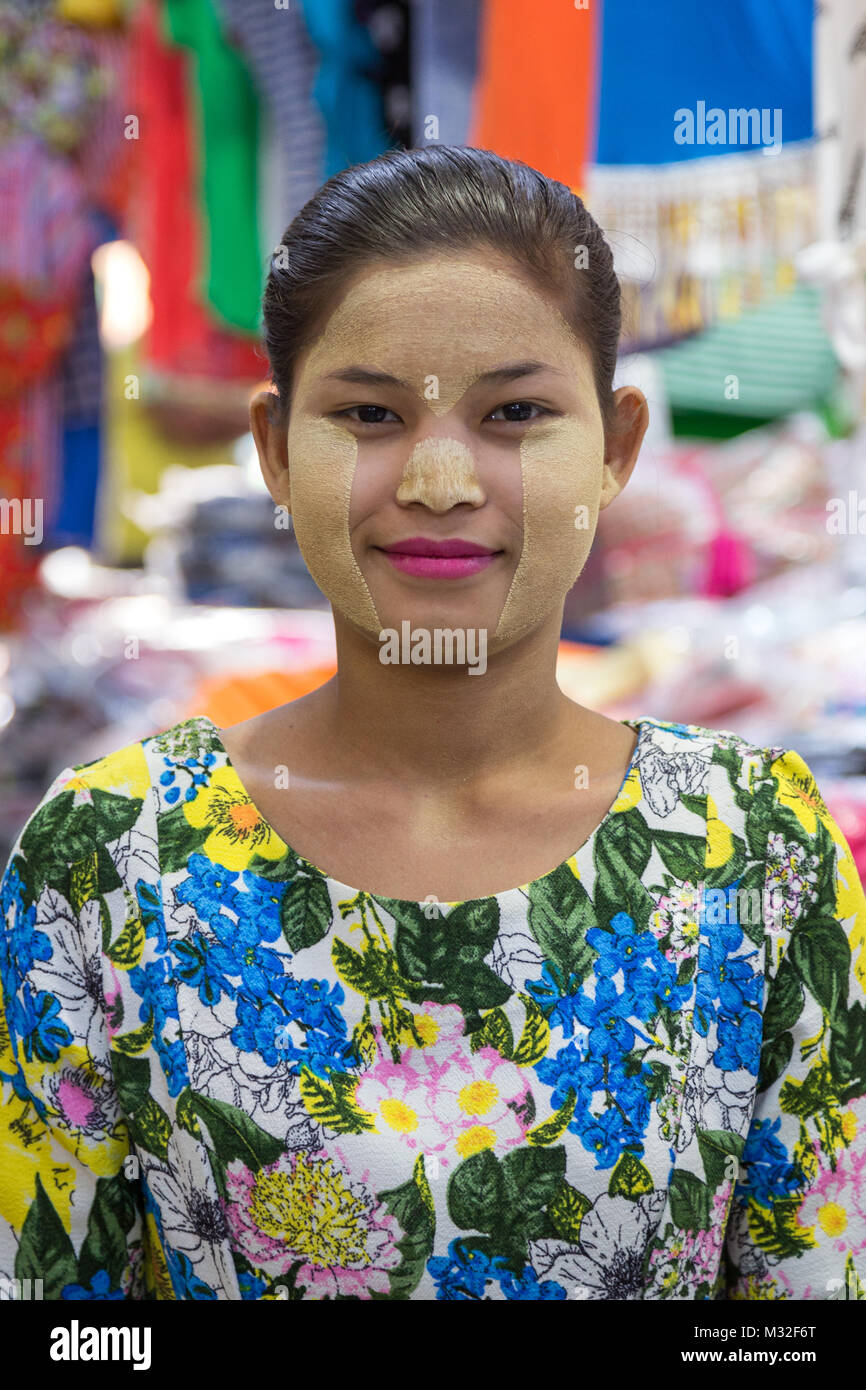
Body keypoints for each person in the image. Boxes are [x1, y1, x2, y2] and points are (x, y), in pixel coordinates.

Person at [1, 145, 865, 1302]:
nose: (442, 478)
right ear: (272, 447)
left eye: (514, 411)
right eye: (366, 412)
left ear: (612, 448)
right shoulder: (109, 852)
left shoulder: (755, 847)